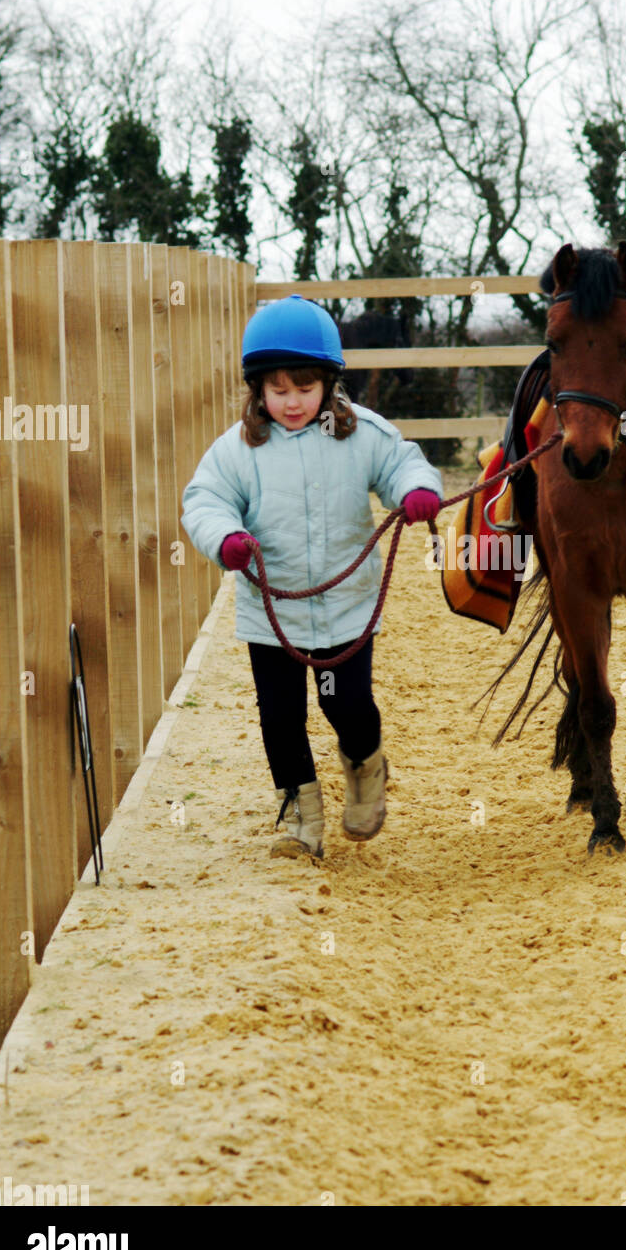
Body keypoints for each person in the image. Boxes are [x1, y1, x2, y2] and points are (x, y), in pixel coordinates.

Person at [181, 295, 442, 861]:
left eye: (304, 388)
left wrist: (416, 492)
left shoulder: (361, 433)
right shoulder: (238, 450)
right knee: (280, 717)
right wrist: (226, 538)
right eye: (278, 390)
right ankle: (303, 818)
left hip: (346, 607)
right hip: (270, 614)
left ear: (328, 382)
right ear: (257, 390)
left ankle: (366, 767)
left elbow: (403, 463)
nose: (292, 402)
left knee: (347, 707)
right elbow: (205, 500)